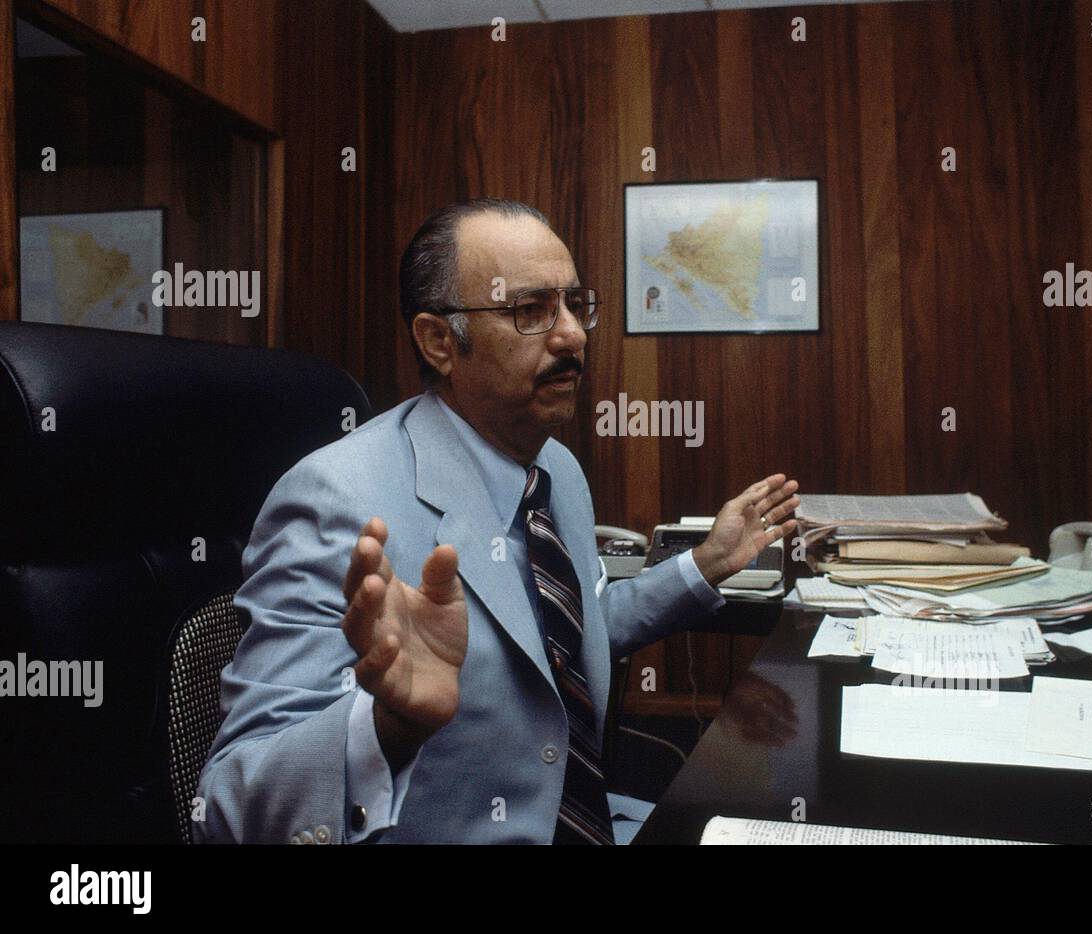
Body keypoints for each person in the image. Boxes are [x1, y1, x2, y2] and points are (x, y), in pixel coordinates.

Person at [196, 198, 799, 844]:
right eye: (530, 312)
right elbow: (230, 813)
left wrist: (703, 566)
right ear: (438, 342)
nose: (573, 335)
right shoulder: (334, 500)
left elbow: (565, 641)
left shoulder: (557, 470)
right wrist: (387, 726)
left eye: (573, 304)